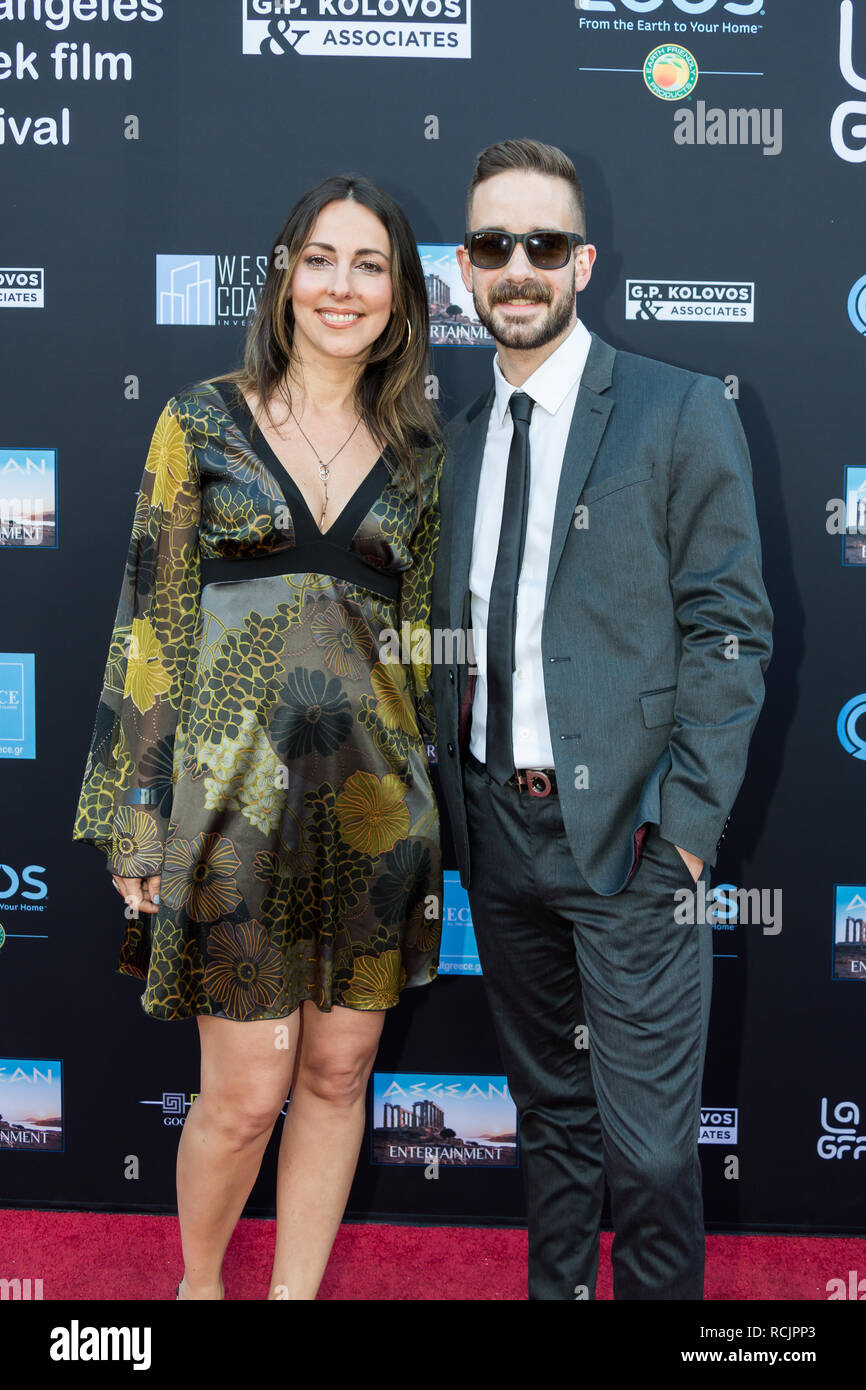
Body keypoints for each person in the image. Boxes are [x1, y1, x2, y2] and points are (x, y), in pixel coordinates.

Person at [72, 174, 443, 1300]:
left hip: (377, 816)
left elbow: (427, 642)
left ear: (399, 295)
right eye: (320, 259)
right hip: (226, 817)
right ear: (283, 277)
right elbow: (150, 623)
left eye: (369, 264)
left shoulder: (425, 452)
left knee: (337, 1077)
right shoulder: (197, 420)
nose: (342, 285)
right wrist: (135, 817)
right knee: (242, 1095)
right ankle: (198, 1286)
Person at [430, 139, 773, 1300]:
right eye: (491, 246)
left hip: (629, 837)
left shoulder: (675, 412)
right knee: (551, 1122)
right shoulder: (459, 442)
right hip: (498, 833)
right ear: (466, 272)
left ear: (580, 263)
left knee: (652, 1146)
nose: (514, 268)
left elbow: (729, 629)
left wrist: (679, 827)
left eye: (539, 245)